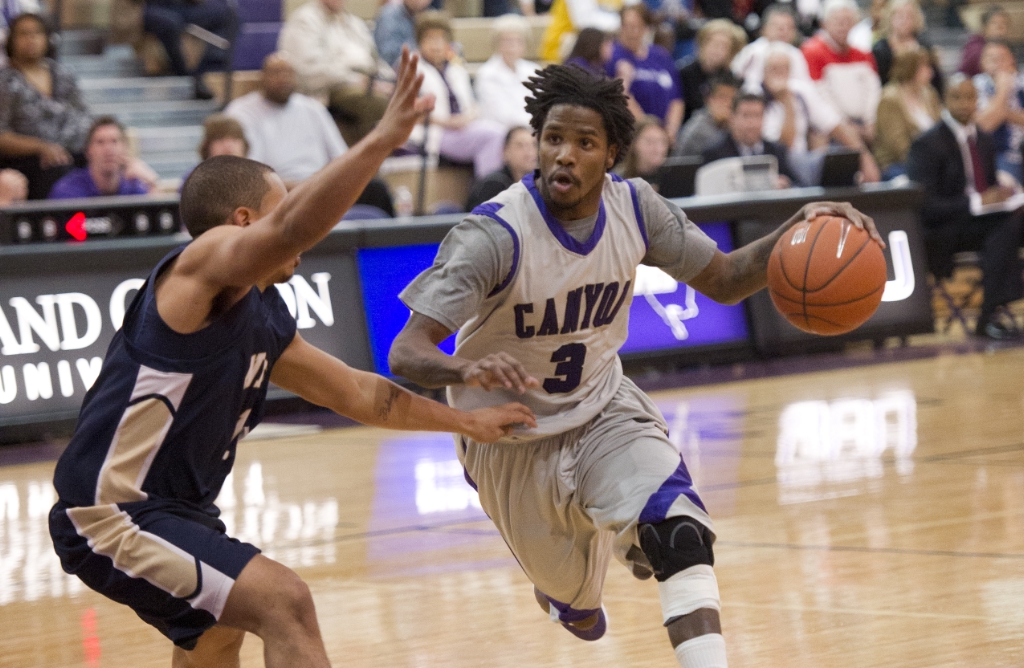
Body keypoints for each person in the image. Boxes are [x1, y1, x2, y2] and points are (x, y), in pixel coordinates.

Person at [48, 49, 535, 668]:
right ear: (243, 222)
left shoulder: (265, 315)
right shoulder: (198, 266)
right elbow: (287, 234)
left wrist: (464, 422)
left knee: (215, 634)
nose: (303, 241)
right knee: (284, 601)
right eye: (284, 207)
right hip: (110, 512)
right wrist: (381, 140)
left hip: (175, 513)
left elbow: (361, 395)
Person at [388, 63, 881, 668]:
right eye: (553, 139)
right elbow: (405, 352)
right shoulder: (492, 235)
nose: (564, 156)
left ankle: (646, 540)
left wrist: (802, 224)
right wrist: (464, 372)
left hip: (602, 409)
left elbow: (723, 280)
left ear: (612, 154)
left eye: (584, 143)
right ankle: (582, 573)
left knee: (680, 532)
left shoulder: (636, 208)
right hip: (510, 437)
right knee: (584, 620)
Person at [907, 74, 1024, 339]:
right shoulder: (926, 144)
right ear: (944, 101)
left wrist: (1003, 195)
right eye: (957, 97)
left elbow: (990, 189)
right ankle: (988, 315)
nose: (964, 103)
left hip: (986, 224)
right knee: (1006, 226)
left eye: (970, 97)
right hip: (945, 229)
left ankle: (994, 308)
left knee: (1011, 219)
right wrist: (976, 202)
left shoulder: (983, 139)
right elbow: (925, 207)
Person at [226, 54, 394, 214]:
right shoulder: (242, 112)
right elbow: (251, 176)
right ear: (262, 77)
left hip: (322, 186)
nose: (283, 78)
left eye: (288, 73)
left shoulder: (312, 109)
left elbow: (341, 157)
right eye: (276, 73)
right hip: (277, 192)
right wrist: (303, 188)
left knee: (375, 189)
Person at [755, 47, 881, 184]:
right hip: (769, 163)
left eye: (784, 68)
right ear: (764, 71)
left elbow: (836, 126)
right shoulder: (754, 97)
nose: (779, 73)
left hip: (803, 162)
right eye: (774, 68)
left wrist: (865, 159)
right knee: (807, 161)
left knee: (842, 158)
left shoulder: (800, 91)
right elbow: (783, 148)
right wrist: (787, 102)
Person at [278, 0, 394, 146]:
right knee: (375, 102)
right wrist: (355, 80)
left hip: (365, 82)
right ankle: (365, 160)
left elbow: (375, 60)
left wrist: (389, 79)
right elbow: (306, 71)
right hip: (326, 89)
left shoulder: (354, 23)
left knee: (399, 95)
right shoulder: (304, 21)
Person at [0, 13, 91, 200]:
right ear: (11, 40)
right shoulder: (5, 81)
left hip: (72, 149)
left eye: (36, 33)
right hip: (27, 159)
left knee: (102, 162)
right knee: (58, 168)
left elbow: (84, 117)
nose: (31, 39)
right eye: (23, 34)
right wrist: (41, 147)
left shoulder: (63, 74)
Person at [409, 12, 506, 179]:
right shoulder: (412, 68)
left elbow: (472, 103)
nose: (436, 44)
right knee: (493, 136)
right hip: (433, 131)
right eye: (430, 38)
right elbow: (409, 112)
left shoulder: (456, 68)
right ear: (419, 42)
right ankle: (488, 193)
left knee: (503, 133)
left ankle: (487, 187)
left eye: (440, 39)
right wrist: (447, 122)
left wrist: (468, 117)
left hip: (462, 127)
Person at [801, 0, 881, 141]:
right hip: (830, 127)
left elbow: (873, 90)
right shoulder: (812, 52)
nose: (843, 27)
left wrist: (871, 121)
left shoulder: (863, 54)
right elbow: (819, 95)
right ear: (824, 23)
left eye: (848, 21)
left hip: (865, 124)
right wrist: (844, 125)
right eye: (838, 21)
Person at [607, 4, 684, 141]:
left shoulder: (660, 56)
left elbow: (676, 98)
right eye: (627, 26)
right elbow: (620, 96)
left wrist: (671, 130)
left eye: (638, 26)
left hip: (664, 135)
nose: (633, 32)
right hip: (631, 133)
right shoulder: (612, 55)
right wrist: (648, 131)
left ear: (646, 28)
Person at [142, 0, 235, 100]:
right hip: (148, 7)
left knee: (229, 16)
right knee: (170, 23)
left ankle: (203, 73)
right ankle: (186, 77)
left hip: (180, 7)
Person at [703, 92, 799, 188]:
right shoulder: (715, 153)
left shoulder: (776, 151)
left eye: (757, 115)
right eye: (746, 115)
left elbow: (798, 186)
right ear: (732, 118)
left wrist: (785, 185)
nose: (752, 122)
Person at [874, 47, 941, 179]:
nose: (931, 72)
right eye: (925, 67)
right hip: (897, 164)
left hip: (930, 160)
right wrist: (926, 163)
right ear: (910, 68)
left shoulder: (929, 93)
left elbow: (941, 130)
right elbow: (898, 146)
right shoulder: (890, 98)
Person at [49, 116, 154, 199]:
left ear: (125, 149)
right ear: (88, 151)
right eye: (100, 142)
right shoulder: (68, 191)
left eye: (114, 141)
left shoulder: (134, 188)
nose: (108, 149)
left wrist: (152, 182)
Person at [474, 15, 541, 131]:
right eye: (508, 41)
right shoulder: (487, 73)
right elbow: (500, 114)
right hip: (501, 132)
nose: (513, 46)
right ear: (497, 43)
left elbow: (540, 104)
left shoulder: (533, 70)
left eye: (518, 41)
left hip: (532, 129)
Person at [972, 40, 1024, 182]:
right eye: (991, 58)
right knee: (1004, 179)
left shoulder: (1022, 82)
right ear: (982, 62)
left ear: (1012, 59)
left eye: (1001, 58)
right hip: (995, 153)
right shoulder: (974, 86)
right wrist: (1003, 91)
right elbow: (983, 126)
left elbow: (991, 118)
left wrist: (1000, 112)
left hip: (1019, 148)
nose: (997, 63)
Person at [678, 19, 746, 123]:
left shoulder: (732, 80)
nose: (717, 50)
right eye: (713, 43)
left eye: (723, 46)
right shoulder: (684, 74)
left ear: (731, 52)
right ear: (701, 44)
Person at [730, 4, 810, 89]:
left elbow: (805, 86)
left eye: (788, 27)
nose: (783, 31)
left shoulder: (796, 54)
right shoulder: (752, 52)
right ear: (764, 28)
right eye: (777, 26)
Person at [871, 0, 942, 93]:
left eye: (909, 16)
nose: (904, 20)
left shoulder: (924, 47)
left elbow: (936, 80)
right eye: (900, 16)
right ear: (890, 17)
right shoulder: (880, 50)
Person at [465, 126, 539, 210]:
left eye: (534, 145)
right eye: (520, 146)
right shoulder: (493, 185)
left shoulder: (539, 184)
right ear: (505, 152)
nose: (529, 152)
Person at [673, 73, 738, 157]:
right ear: (709, 99)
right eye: (722, 97)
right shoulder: (699, 127)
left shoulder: (726, 124)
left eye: (732, 98)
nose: (728, 103)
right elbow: (722, 150)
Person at [539, 0, 625, 62]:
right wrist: (623, 22)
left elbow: (633, 11)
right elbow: (585, 24)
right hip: (560, 53)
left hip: (597, 52)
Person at [373, 0, 433, 67]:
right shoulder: (389, 15)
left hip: (423, 68)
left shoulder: (430, 15)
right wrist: (422, 51)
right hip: (391, 71)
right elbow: (388, 54)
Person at [960, 5, 1010, 78]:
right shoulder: (975, 48)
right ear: (984, 26)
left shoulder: (1007, 47)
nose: (999, 27)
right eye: (994, 23)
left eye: (1003, 23)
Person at [616, 114, 670, 179]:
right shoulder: (617, 179)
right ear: (634, 144)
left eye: (662, 142)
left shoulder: (673, 177)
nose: (658, 148)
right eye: (650, 142)